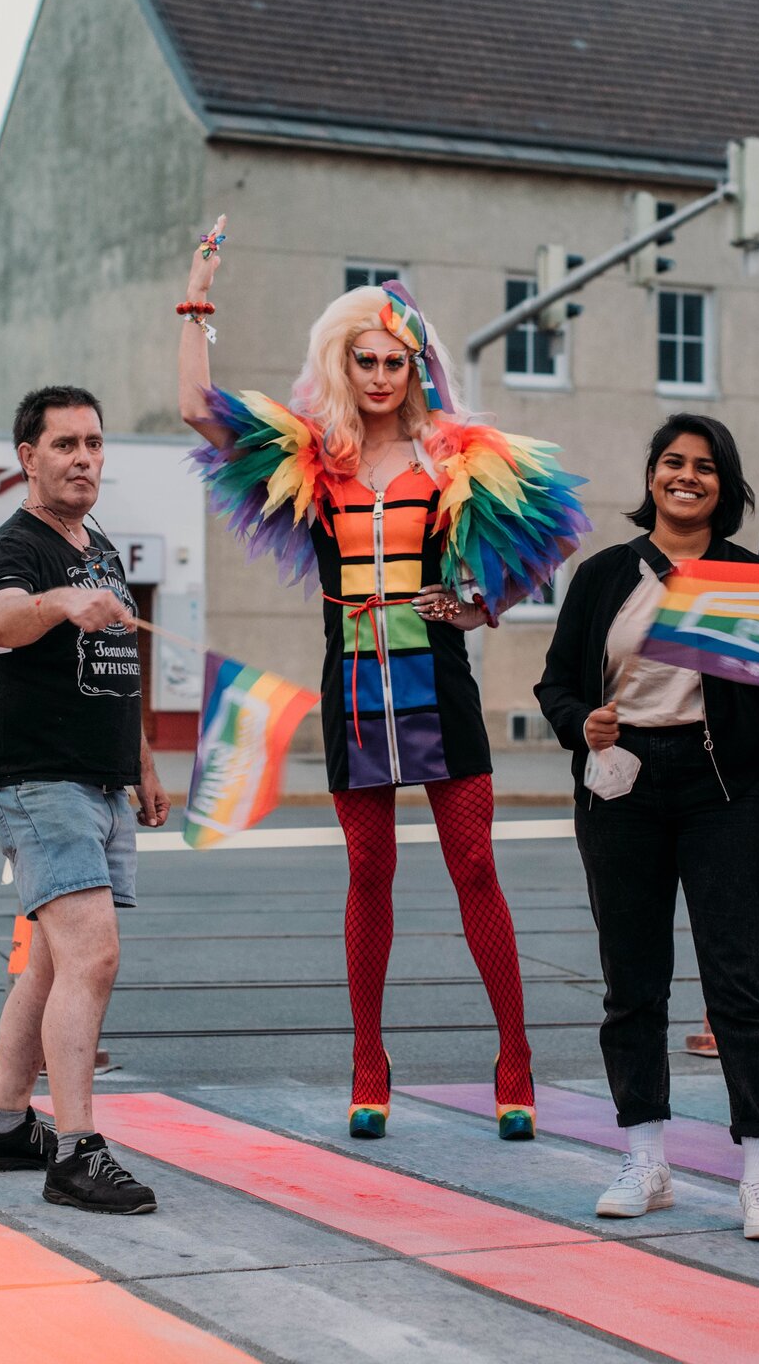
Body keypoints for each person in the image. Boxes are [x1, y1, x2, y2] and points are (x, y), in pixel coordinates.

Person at [179, 218, 587, 1140]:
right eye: (360, 359)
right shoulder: (311, 459)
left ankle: (514, 1056)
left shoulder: (457, 457)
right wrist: (197, 296)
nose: (376, 375)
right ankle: (369, 1059)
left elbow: (550, 538)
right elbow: (194, 409)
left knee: (476, 866)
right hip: (354, 685)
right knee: (370, 870)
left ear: (415, 368)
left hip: (439, 683)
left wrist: (478, 606)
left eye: (391, 361)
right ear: (339, 363)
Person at [536, 414, 759, 1241]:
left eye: (704, 467)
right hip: (623, 790)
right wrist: (584, 723)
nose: (685, 477)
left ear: (725, 486)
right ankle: (644, 1160)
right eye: (671, 463)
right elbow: (555, 686)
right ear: (651, 473)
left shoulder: (752, 578)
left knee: (742, 988)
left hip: (725, 792)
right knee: (633, 984)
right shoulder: (604, 574)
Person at [0, 385, 169, 1214]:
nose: (84, 459)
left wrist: (143, 759)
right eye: (65, 445)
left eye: (93, 443)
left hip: (102, 781)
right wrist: (59, 603)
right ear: (28, 457)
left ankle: (6, 1128)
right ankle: (78, 1152)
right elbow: (2, 617)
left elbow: (117, 665)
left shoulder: (101, 545)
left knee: (51, 964)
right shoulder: (17, 548)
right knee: (94, 955)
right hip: (41, 782)